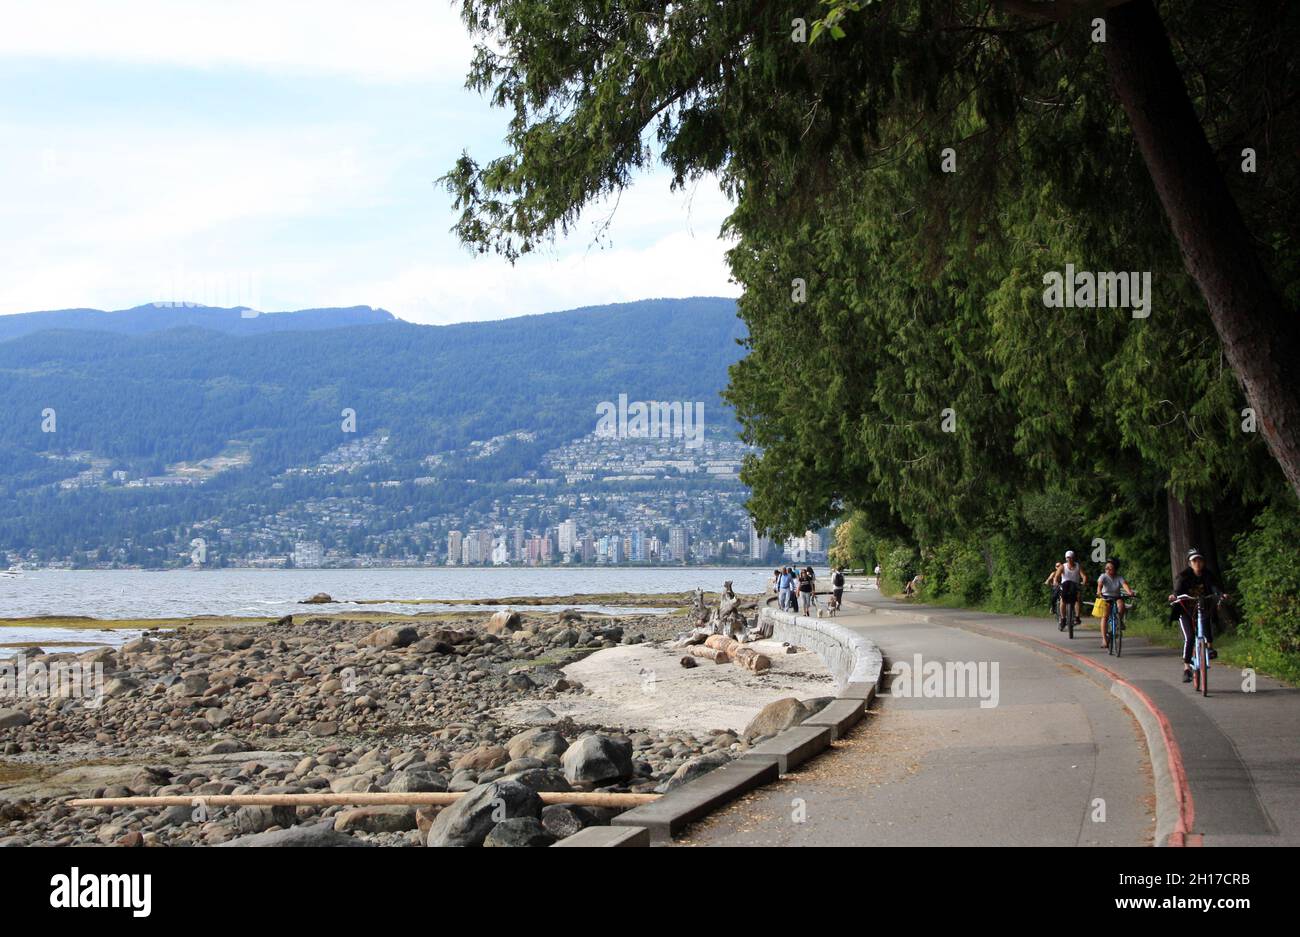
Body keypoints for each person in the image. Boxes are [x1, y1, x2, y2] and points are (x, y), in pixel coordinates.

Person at [1168, 548, 1227, 683]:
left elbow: (1214, 587)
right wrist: (1174, 596)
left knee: (1207, 622)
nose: (1198, 563)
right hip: (1185, 611)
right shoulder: (1184, 576)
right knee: (1189, 638)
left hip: (1201, 608)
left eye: (1200, 560)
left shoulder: (1208, 575)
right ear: (1190, 563)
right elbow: (1177, 590)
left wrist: (1220, 594)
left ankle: (1210, 648)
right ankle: (1187, 668)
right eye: (1194, 561)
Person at [1095, 558, 1134, 649]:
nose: (1107, 570)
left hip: (1116, 596)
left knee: (1121, 605)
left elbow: (1124, 585)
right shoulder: (1103, 576)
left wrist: (1129, 592)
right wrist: (1099, 592)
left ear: (1115, 569)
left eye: (1110, 568)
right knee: (1105, 616)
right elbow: (1100, 585)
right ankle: (1104, 640)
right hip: (1106, 597)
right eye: (1106, 568)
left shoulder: (1119, 577)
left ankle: (1118, 621)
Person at [1057, 551, 1087, 631]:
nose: (1069, 559)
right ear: (1066, 558)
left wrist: (1084, 581)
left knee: (1077, 599)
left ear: (1073, 558)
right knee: (1062, 600)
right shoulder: (1062, 567)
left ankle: (1077, 617)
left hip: (1075, 585)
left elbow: (1083, 575)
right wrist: (1056, 582)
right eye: (1068, 557)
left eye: (1071, 557)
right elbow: (1057, 576)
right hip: (1065, 585)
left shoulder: (1078, 566)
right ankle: (1063, 619)